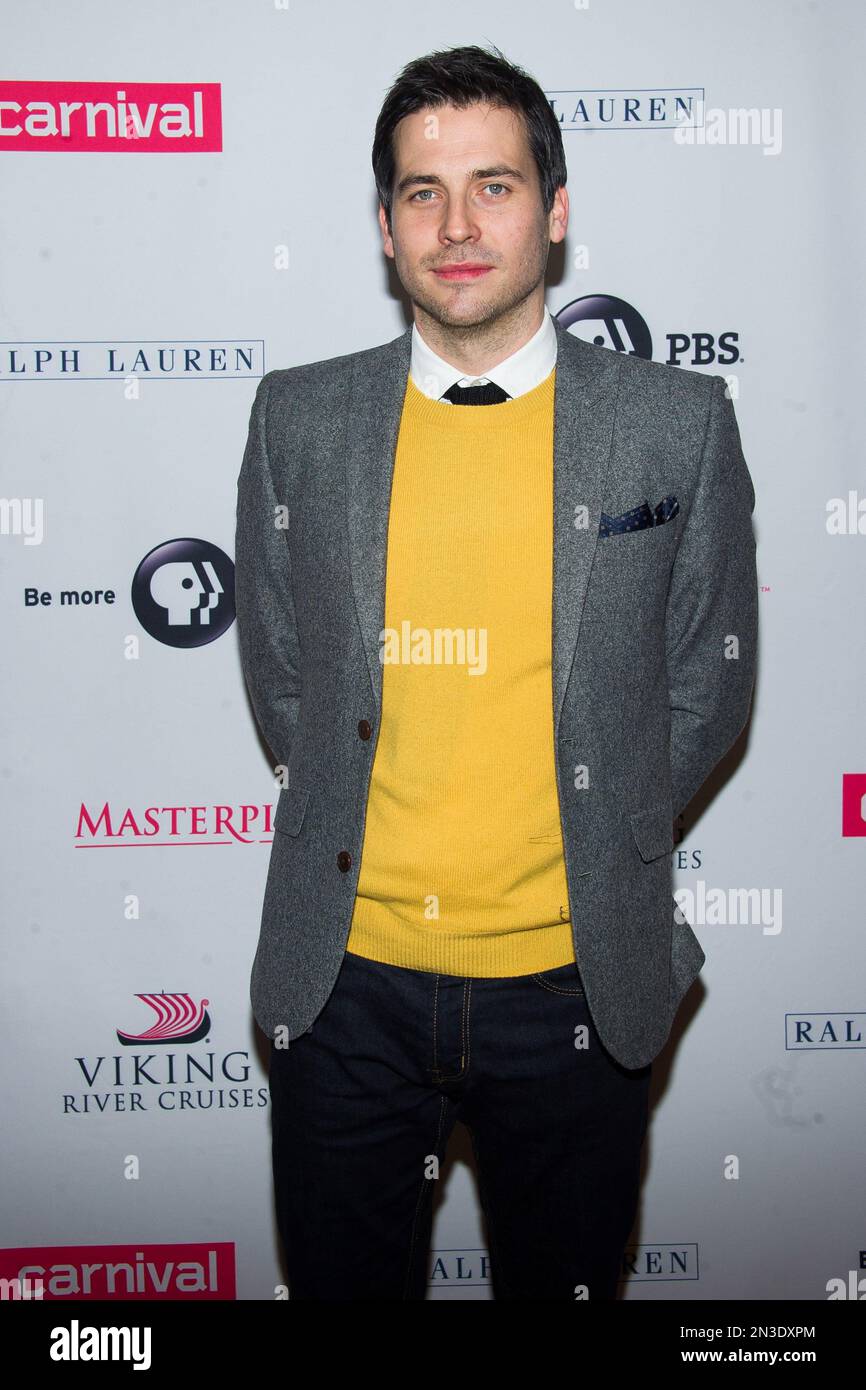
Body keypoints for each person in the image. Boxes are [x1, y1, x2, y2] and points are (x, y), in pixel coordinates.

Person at [234, 43, 758, 1301]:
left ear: (555, 209)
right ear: (383, 223)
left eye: (495, 185)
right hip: (343, 988)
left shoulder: (673, 421)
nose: (457, 225)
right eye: (422, 191)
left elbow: (705, 685)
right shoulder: (296, 419)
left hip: (576, 988)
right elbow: (283, 679)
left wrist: (602, 830)